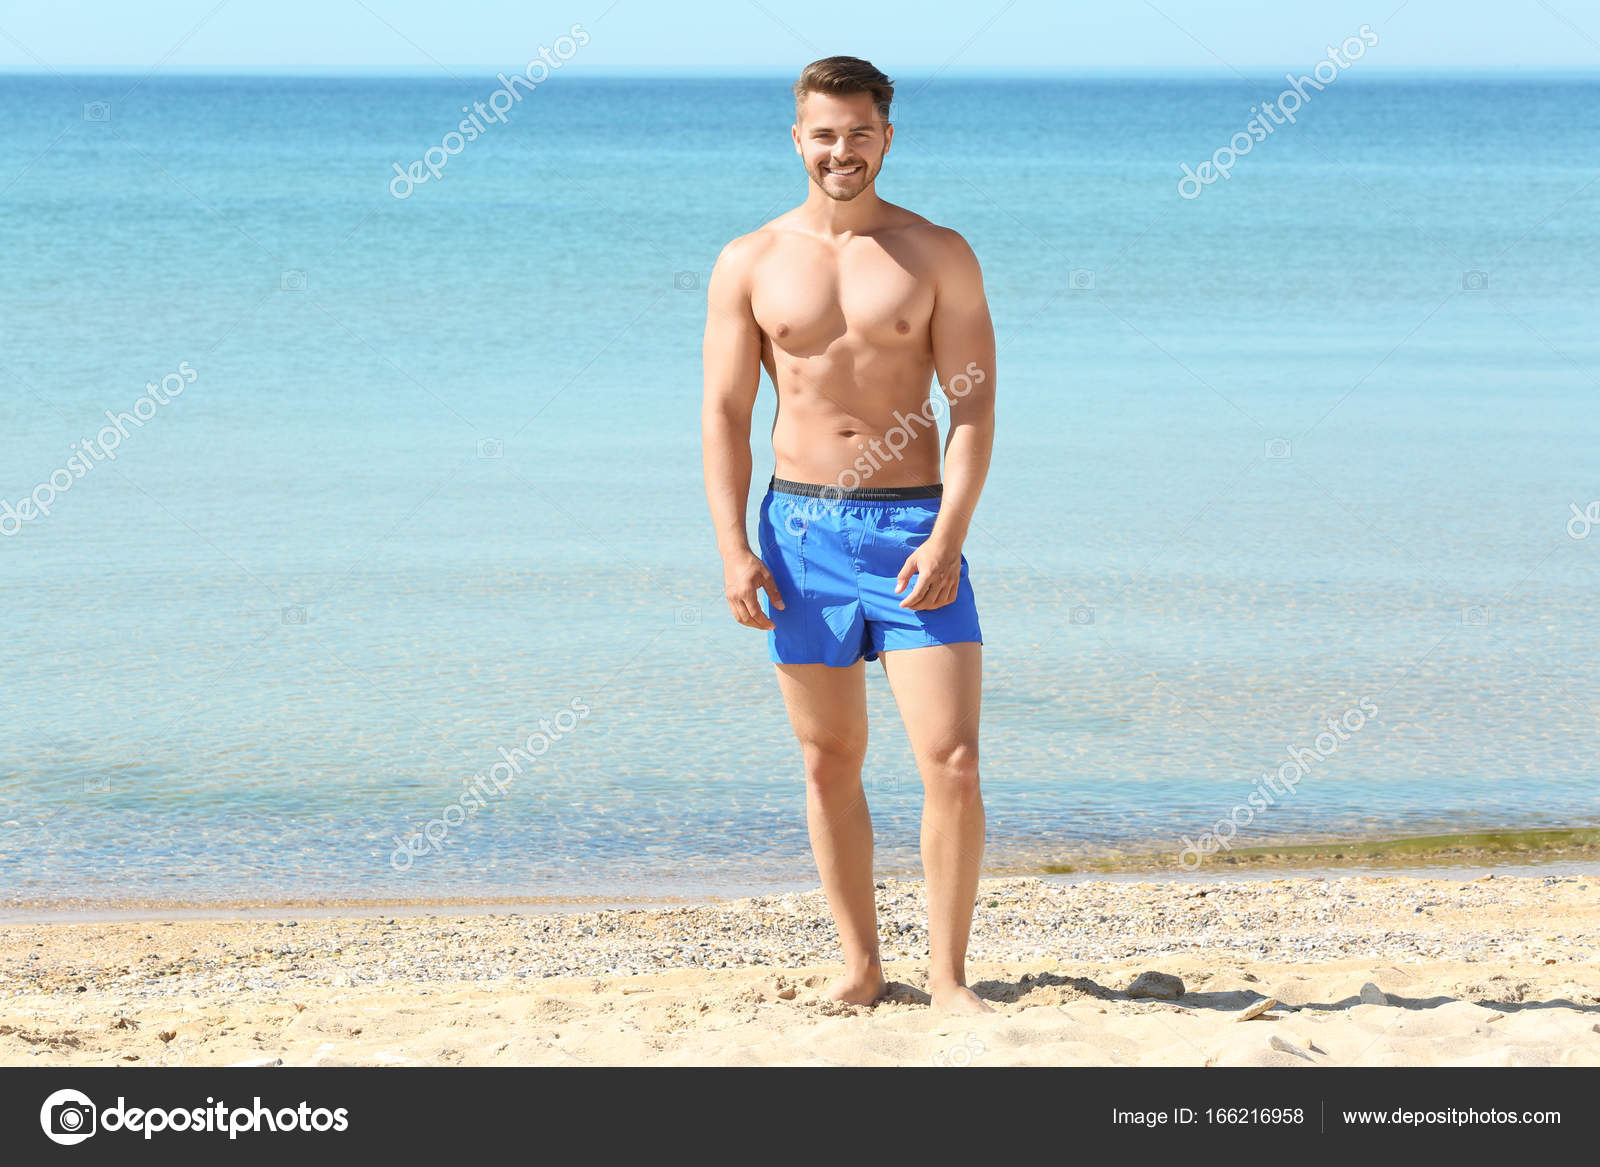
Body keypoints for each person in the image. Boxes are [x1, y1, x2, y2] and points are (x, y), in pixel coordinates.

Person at [700, 56, 997, 1015]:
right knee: (829, 761)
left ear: (887, 138)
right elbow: (722, 412)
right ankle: (862, 966)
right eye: (823, 134)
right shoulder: (748, 258)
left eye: (859, 133)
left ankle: (948, 976)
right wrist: (733, 545)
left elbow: (975, 411)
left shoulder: (937, 251)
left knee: (950, 757)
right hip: (800, 532)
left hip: (914, 526)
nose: (841, 151)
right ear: (797, 139)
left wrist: (949, 531)